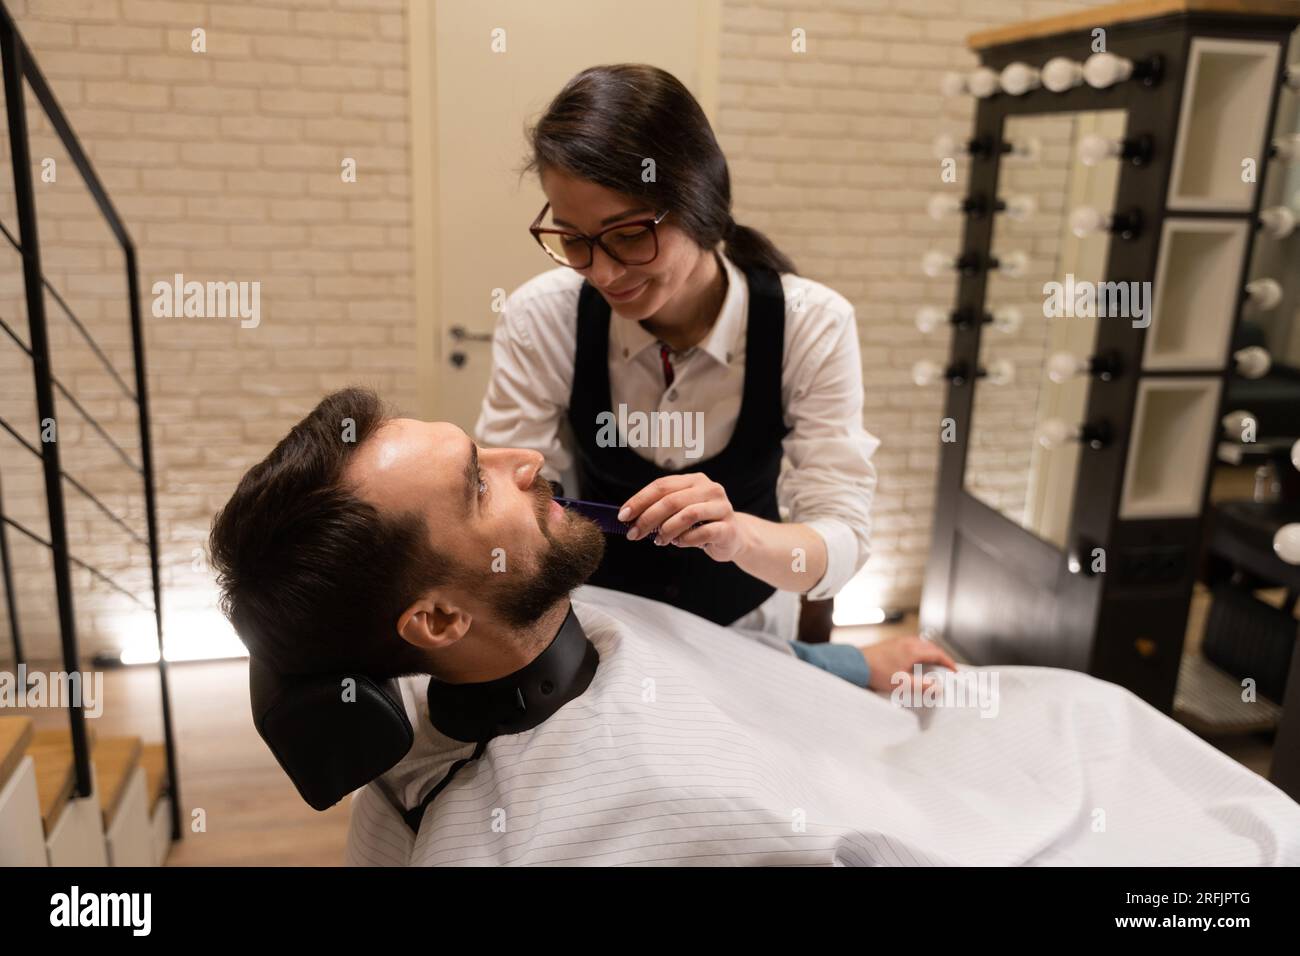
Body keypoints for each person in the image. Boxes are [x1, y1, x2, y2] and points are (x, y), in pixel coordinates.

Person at [210, 388, 1300, 867]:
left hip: (938, 741)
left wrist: (845, 660)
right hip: (1012, 820)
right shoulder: (589, 818)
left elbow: (722, 665)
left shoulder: (512, 630)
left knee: (1088, 710)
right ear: (437, 615)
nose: (524, 456)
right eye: (475, 481)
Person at [476, 63, 879, 643]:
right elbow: (512, 495)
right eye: (572, 238)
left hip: (748, 630)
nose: (604, 271)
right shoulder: (543, 317)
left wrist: (739, 535)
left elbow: (841, 534)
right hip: (602, 623)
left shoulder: (812, 324)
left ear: (700, 202)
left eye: (631, 234)